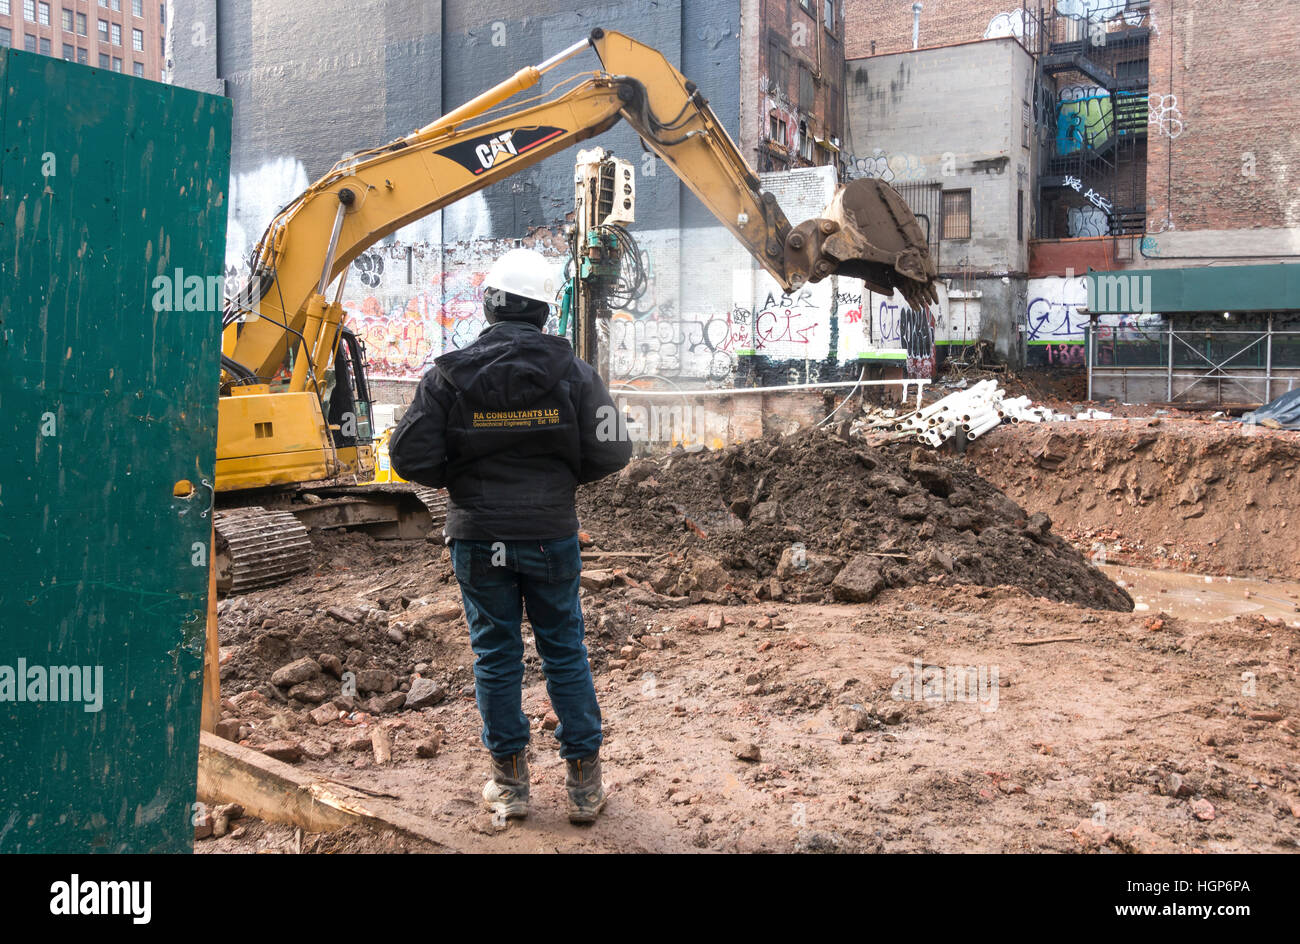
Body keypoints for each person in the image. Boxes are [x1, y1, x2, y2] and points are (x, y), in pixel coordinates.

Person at [389, 247, 631, 824]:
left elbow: (409, 455)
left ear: (490, 304)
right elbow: (614, 449)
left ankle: (511, 787)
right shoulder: (574, 373)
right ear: (546, 310)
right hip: (550, 534)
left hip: (478, 537)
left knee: (496, 658)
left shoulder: (450, 374)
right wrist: (560, 479)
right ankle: (584, 788)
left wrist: (462, 480)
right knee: (564, 652)